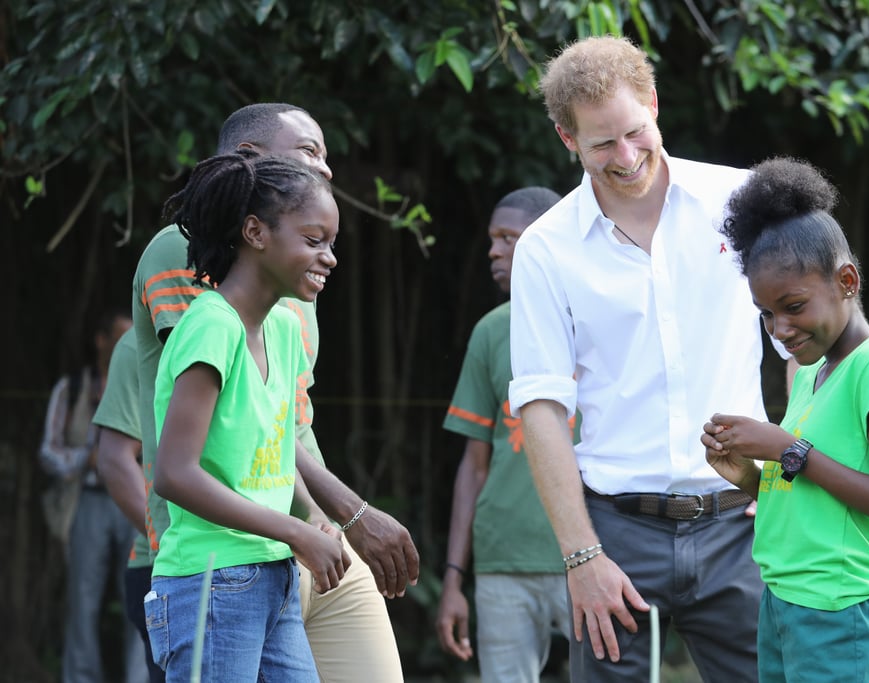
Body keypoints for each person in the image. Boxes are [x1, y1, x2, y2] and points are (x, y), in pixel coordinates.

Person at [508, 36, 792, 682]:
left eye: (636, 131)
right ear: (566, 138)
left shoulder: (741, 201)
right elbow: (542, 409)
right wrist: (582, 557)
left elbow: (805, 343)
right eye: (603, 143)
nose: (628, 156)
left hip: (743, 520)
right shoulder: (546, 249)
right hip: (614, 529)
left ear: (656, 104)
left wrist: (788, 465)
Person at [116, 103, 412, 681]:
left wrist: (331, 519)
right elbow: (188, 462)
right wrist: (331, 519)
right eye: (309, 152)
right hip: (220, 563)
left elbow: (278, 431)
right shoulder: (208, 304)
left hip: (291, 547)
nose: (325, 169)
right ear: (254, 229)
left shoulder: (282, 313)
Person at [701, 157, 869, 682]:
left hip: (841, 615)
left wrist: (785, 447)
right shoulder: (814, 370)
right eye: (766, 313)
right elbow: (818, 490)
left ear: (845, 281)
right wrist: (753, 480)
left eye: (794, 306)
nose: (779, 328)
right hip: (784, 603)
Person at [144, 151, 350, 680]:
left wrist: (314, 518)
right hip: (209, 580)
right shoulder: (212, 326)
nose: (328, 257)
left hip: (272, 573)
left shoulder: (283, 329)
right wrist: (294, 532)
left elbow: (279, 448)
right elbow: (174, 473)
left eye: (331, 243)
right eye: (313, 240)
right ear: (256, 232)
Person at [436, 187, 575, 682]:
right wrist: (454, 579)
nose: (493, 251)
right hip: (502, 556)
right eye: (492, 239)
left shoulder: (604, 319)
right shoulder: (492, 331)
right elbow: (474, 467)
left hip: (594, 552)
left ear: (546, 241)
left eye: (507, 238)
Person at [39, 309, 148, 683]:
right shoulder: (73, 389)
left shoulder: (145, 379)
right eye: (121, 338)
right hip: (90, 501)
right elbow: (48, 451)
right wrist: (89, 457)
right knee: (82, 599)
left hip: (136, 500)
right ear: (101, 341)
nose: (129, 346)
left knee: (141, 592)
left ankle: (139, 677)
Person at [93, 331, 163, 683]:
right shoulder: (138, 344)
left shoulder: (287, 320)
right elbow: (114, 458)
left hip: (285, 557)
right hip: (163, 560)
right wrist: (170, 543)